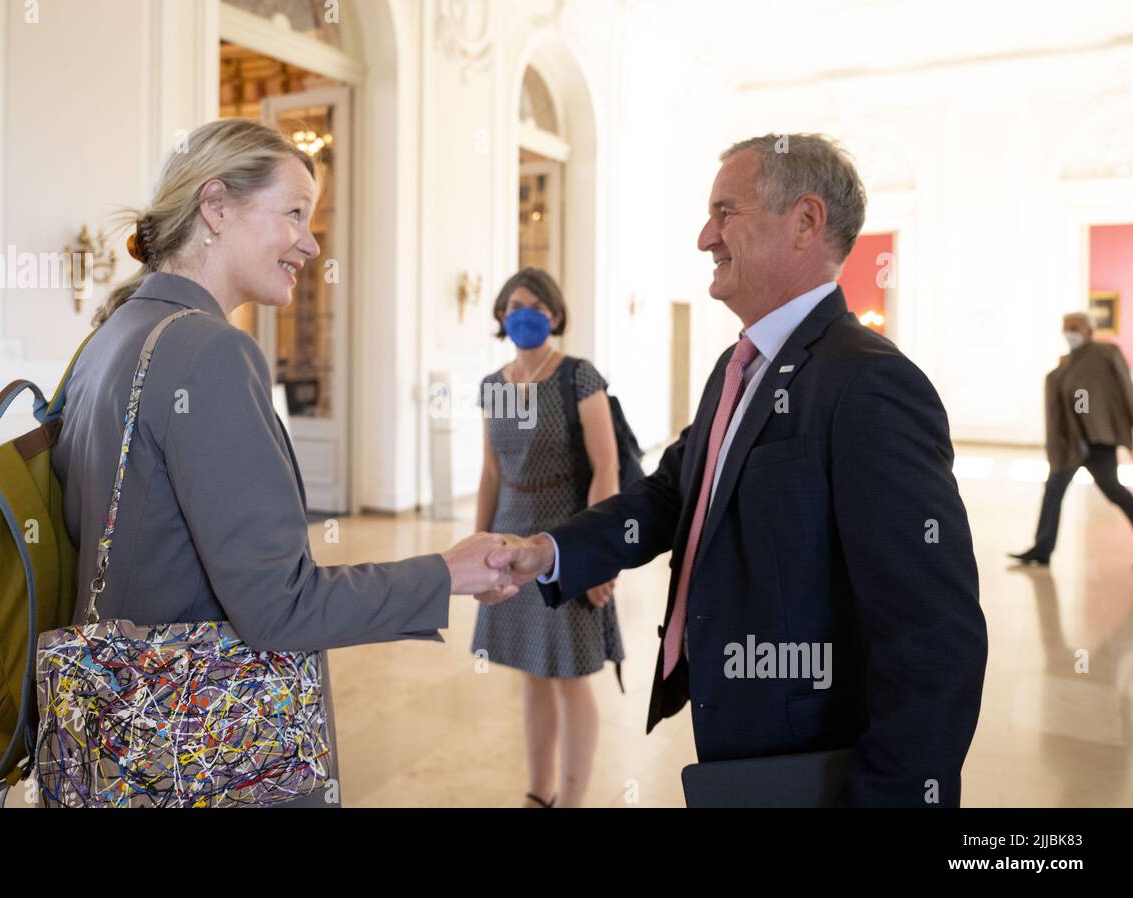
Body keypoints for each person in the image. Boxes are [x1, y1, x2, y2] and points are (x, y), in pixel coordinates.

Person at [484, 133, 988, 807]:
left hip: (808, 755)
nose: (704, 237)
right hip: (735, 733)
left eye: (725, 212)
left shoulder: (870, 383)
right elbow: (671, 493)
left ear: (805, 222)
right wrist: (549, 551)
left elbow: (934, 638)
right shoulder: (738, 365)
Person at [51, 119, 515, 808]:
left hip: (121, 737)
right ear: (216, 207)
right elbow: (279, 606)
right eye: (294, 211)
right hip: (204, 749)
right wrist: (446, 572)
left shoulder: (113, 334)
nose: (312, 239)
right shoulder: (209, 352)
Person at [472, 268, 625, 808]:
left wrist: (596, 557)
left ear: (556, 315)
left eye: (536, 304)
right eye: (514, 303)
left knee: (570, 675)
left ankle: (574, 799)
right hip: (511, 535)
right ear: (500, 314)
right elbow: (491, 472)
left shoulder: (578, 377)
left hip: (566, 535)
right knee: (532, 675)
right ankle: (539, 795)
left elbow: (607, 469)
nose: (524, 312)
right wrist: (477, 550)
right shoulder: (494, 386)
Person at [1010, 312, 1133, 566]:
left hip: (1098, 441)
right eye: (1066, 328)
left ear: (1089, 330)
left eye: (1074, 327)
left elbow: (1125, 388)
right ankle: (1042, 549)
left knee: (1114, 492)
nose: (1069, 333)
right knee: (1053, 490)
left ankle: (1042, 548)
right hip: (1071, 443)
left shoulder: (1106, 353)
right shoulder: (1066, 362)